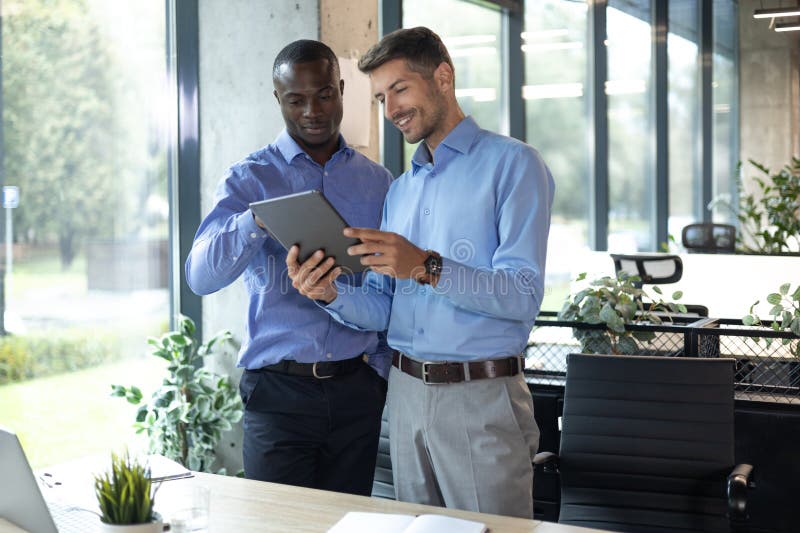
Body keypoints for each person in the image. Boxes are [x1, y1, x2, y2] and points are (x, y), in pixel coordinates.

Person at [287, 26, 555, 519]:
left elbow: (521, 294)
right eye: (381, 98)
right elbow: (384, 307)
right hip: (405, 397)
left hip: (481, 399)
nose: (391, 111)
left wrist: (428, 267)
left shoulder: (514, 166)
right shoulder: (400, 191)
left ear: (444, 77)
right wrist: (329, 294)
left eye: (400, 89)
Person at [185, 39, 393, 496]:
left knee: (349, 524)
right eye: (296, 99)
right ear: (277, 98)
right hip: (279, 395)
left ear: (341, 90)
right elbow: (200, 277)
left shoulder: (378, 183)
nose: (312, 110)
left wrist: (376, 375)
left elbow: (390, 289)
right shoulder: (248, 179)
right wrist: (255, 219)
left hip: (356, 390)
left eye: (323, 94)